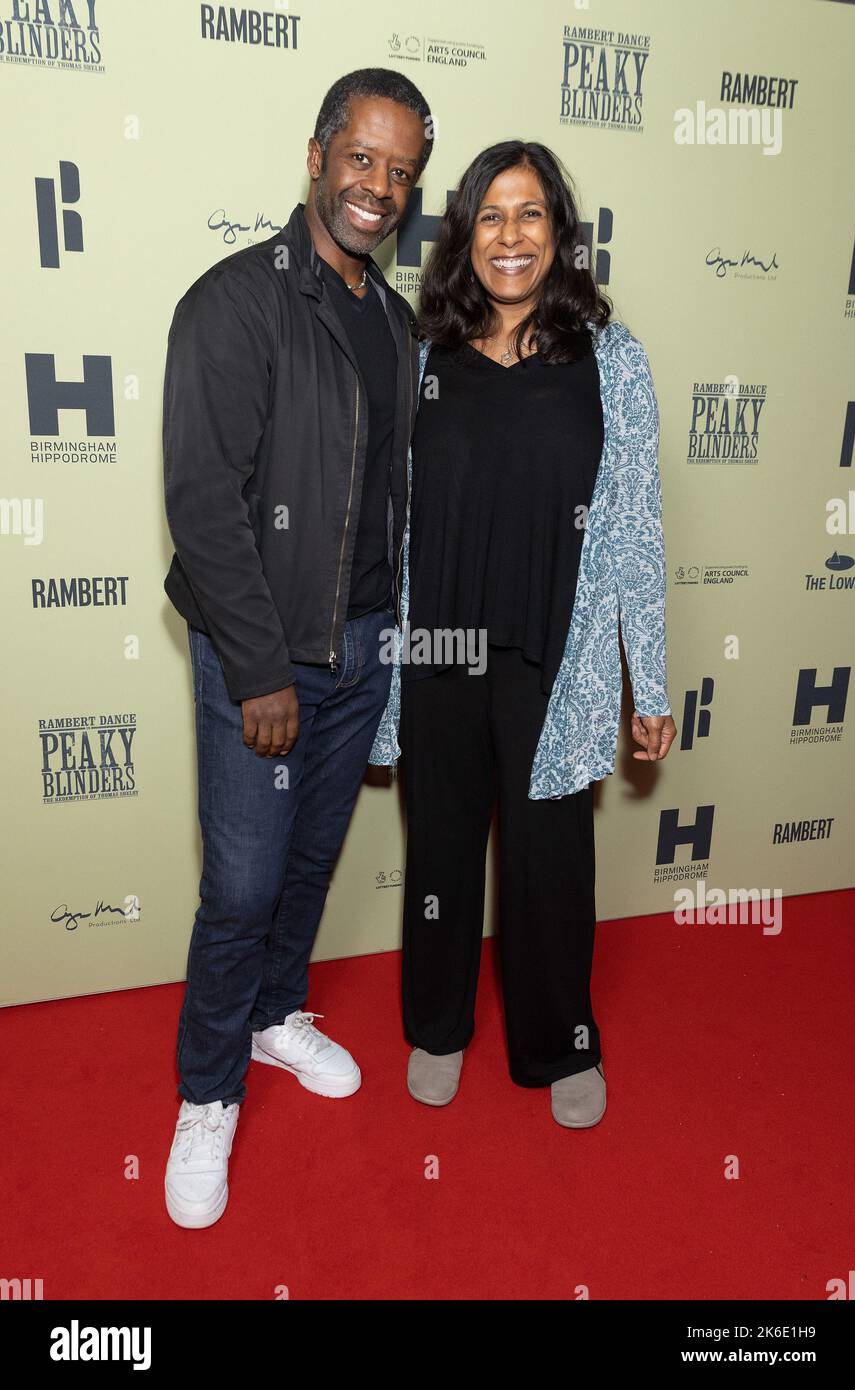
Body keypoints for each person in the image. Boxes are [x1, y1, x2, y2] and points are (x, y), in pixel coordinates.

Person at [160, 68, 433, 1228]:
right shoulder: (235, 301)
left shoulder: (394, 319)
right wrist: (262, 669)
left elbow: (392, 502)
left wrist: (390, 654)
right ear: (317, 156)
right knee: (241, 887)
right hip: (262, 663)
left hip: (362, 649)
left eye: (401, 171)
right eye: (362, 158)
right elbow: (203, 501)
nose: (379, 186)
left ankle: (276, 1017)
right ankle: (206, 1094)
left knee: (308, 865)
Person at [369, 141, 677, 1128]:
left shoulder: (610, 358)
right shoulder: (424, 356)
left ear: (559, 232)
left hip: (557, 652)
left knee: (549, 862)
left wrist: (649, 683)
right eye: (490, 216)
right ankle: (437, 1026)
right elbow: (390, 517)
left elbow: (632, 525)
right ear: (465, 234)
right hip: (439, 653)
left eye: (530, 213)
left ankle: (557, 1042)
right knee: (443, 851)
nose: (510, 235)